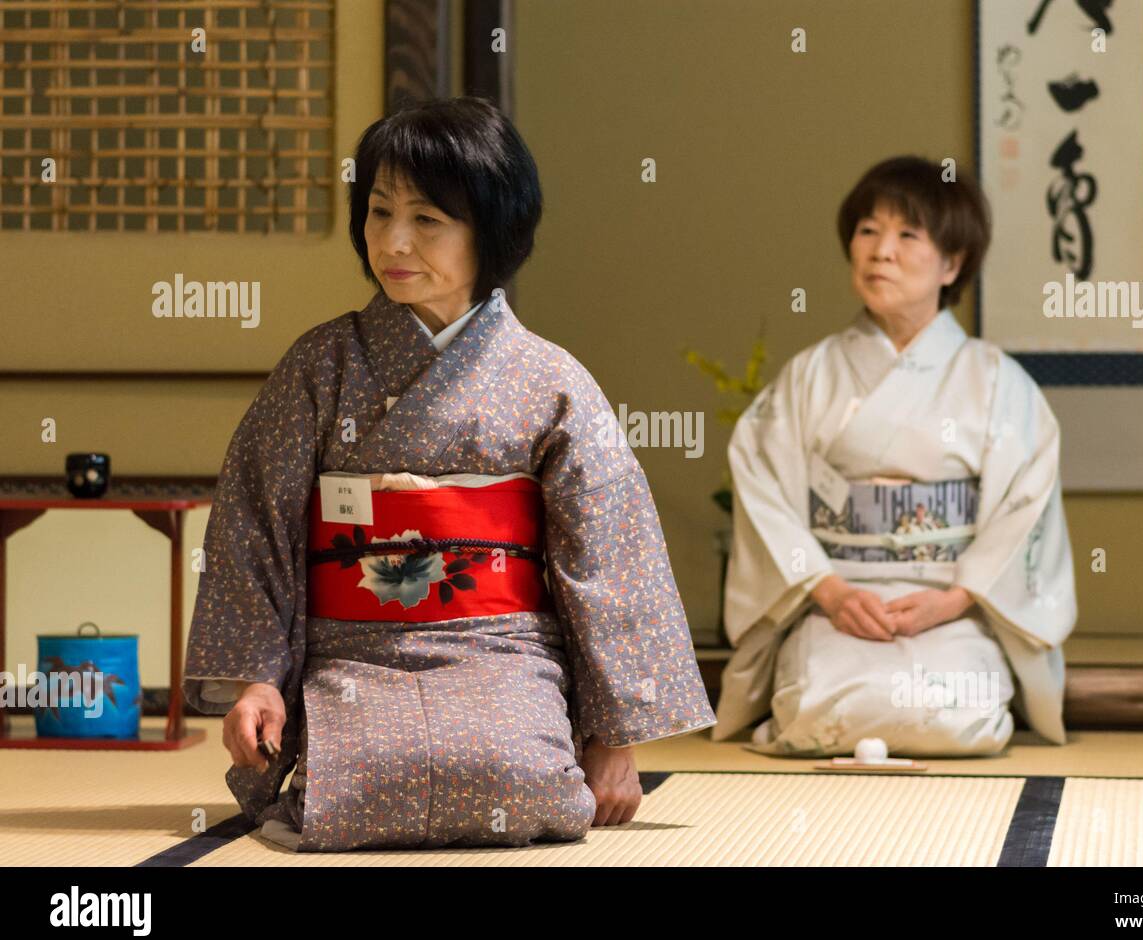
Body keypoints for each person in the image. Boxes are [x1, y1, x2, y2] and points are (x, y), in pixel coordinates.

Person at [183, 97, 716, 852]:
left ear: (490, 232)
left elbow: (608, 559)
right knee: (350, 792)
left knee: (522, 780)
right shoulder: (319, 367)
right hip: (353, 655)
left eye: (427, 220)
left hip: (502, 653)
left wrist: (612, 737)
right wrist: (257, 682)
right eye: (378, 212)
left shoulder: (549, 380)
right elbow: (253, 528)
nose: (394, 241)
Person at [712, 155, 1076, 757]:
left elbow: (1024, 511)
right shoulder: (811, 376)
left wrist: (956, 600)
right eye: (867, 231)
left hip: (949, 606)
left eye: (908, 235)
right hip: (837, 604)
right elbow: (764, 489)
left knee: (957, 714)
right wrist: (830, 593)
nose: (881, 250)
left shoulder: (996, 382)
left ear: (952, 263)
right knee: (816, 707)